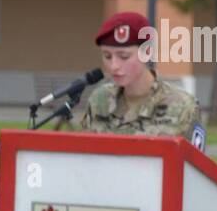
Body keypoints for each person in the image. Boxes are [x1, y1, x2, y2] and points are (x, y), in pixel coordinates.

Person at [81, 11, 206, 148]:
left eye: (124, 57)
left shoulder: (183, 107)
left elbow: (194, 166)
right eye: (107, 56)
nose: (114, 66)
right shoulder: (99, 101)